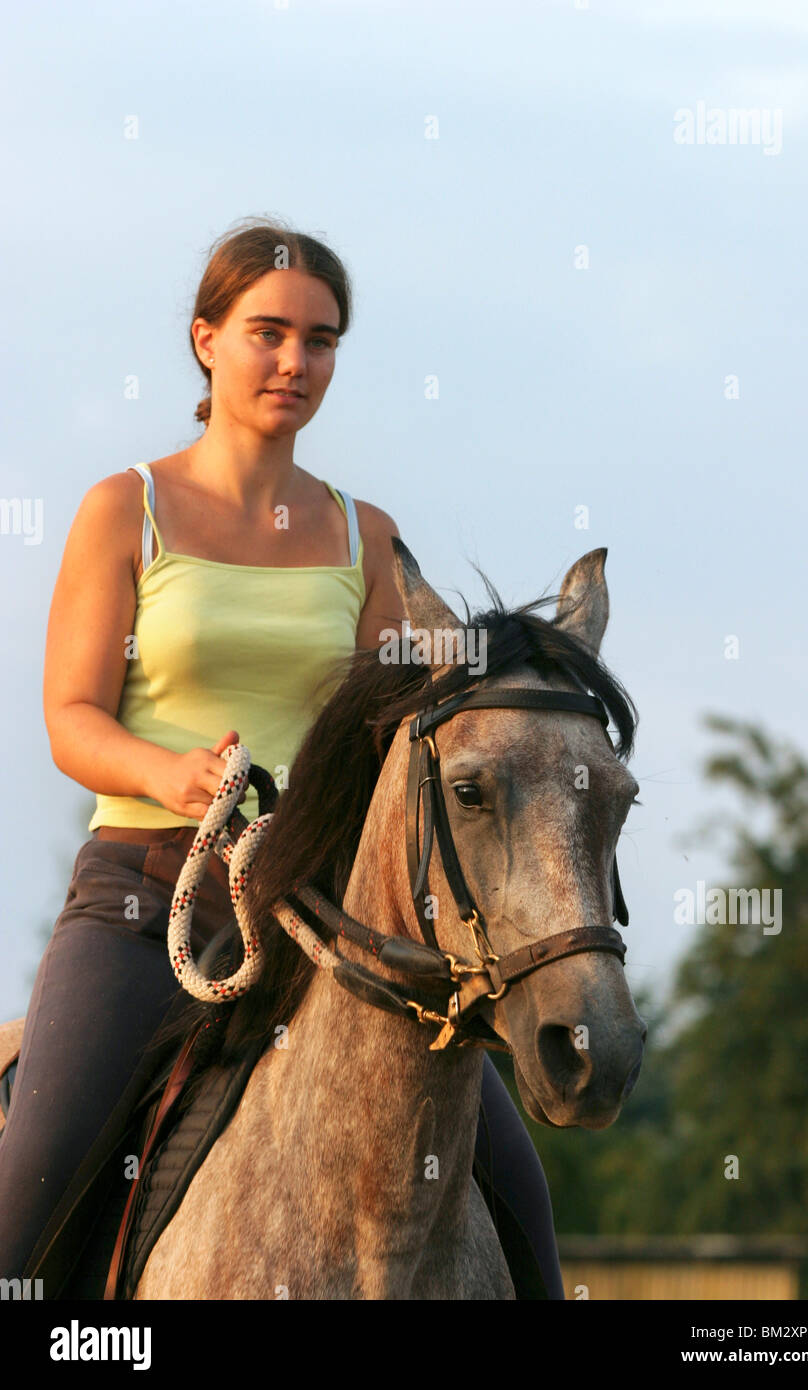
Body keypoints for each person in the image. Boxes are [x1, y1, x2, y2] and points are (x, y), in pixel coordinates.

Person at [0, 218, 563, 1299]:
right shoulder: (128, 508)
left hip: (323, 913)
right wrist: (169, 773)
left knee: (520, 1197)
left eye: (321, 339)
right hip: (143, 895)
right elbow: (70, 715)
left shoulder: (367, 538)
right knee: (35, 1177)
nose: (295, 362)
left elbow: (410, 732)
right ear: (206, 339)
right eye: (268, 333)